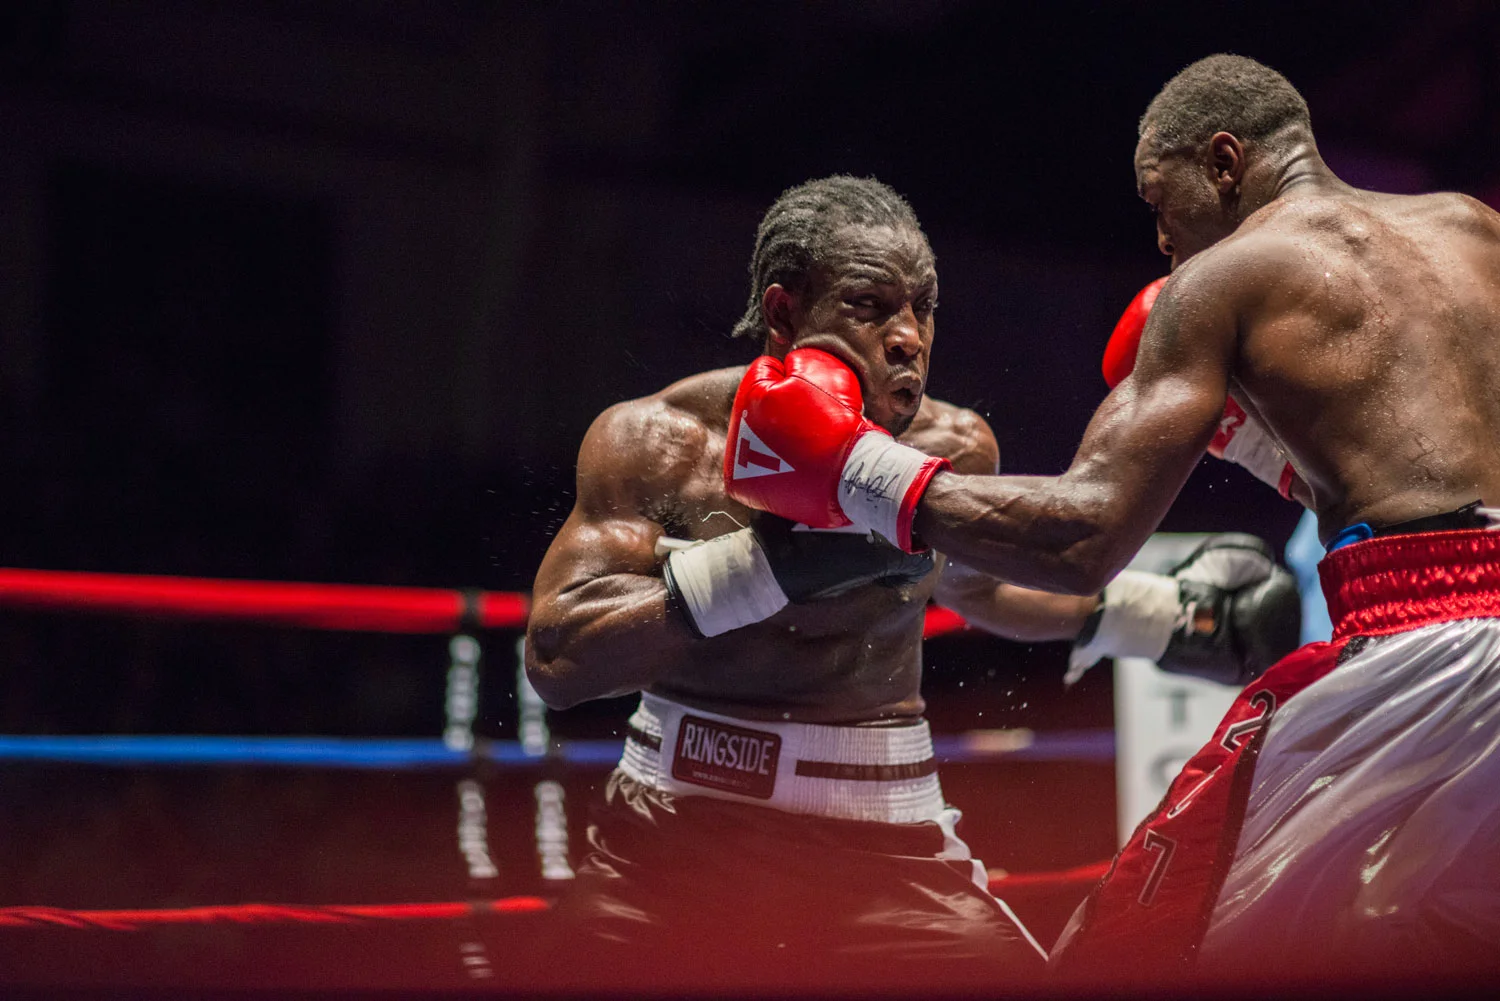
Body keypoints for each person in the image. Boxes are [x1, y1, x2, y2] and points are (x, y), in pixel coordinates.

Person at [724, 56, 1500, 979]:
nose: (1163, 241)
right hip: (1449, 632)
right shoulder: (1474, 229)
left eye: (1159, 203)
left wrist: (854, 470)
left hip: (1422, 657)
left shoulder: (1219, 282)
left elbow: (1080, 535)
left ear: (1224, 162)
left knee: (1140, 955)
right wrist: (1270, 457)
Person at [524, 175, 1294, 988]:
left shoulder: (951, 450)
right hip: (666, 834)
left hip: (883, 845)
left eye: (923, 308)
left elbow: (981, 589)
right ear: (784, 313)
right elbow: (558, 658)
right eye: (871, 306)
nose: (908, 338)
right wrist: (765, 569)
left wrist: (1167, 617)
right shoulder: (658, 442)